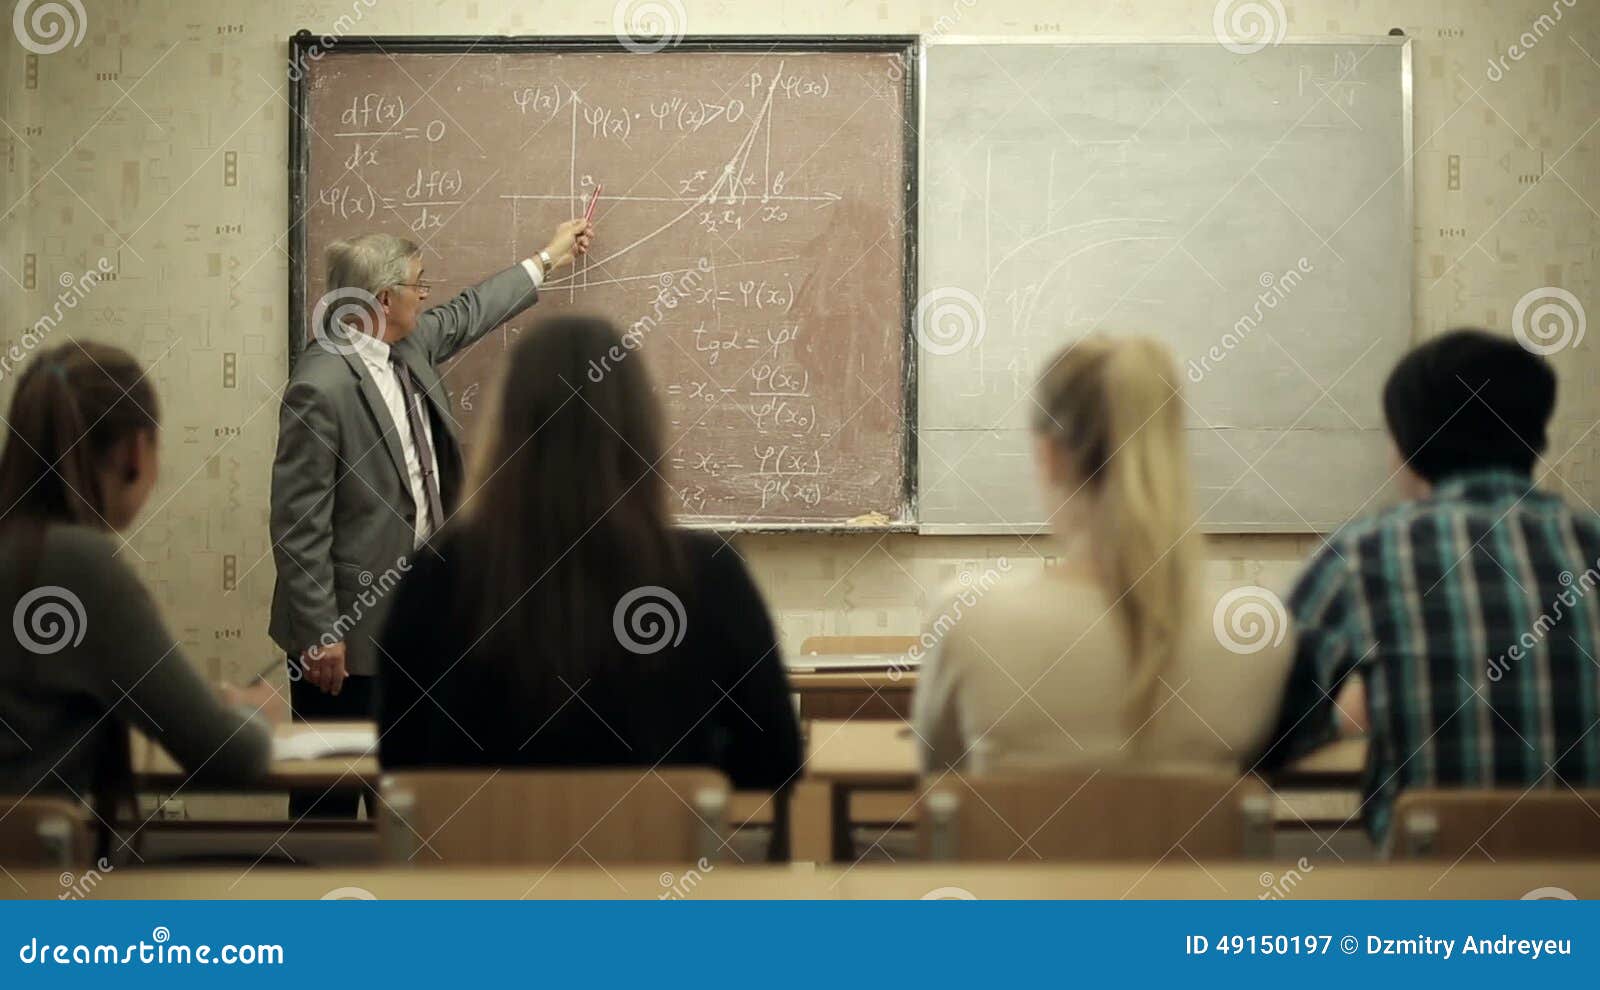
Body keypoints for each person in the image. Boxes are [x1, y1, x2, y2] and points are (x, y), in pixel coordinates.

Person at [375, 315, 802, 794]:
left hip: (479, 866)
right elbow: (777, 763)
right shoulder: (708, 576)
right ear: (641, 431)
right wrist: (693, 766)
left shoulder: (437, 577)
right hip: (658, 864)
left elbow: (400, 764)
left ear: (509, 429)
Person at [269, 220, 591, 819]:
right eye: (420, 285)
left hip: (416, 621)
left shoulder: (407, 345)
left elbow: (473, 311)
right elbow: (298, 524)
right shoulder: (321, 385)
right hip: (344, 639)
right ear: (384, 299)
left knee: (410, 797)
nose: (428, 295)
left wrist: (548, 258)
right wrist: (320, 632)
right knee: (329, 807)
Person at [1256, 328, 1600, 842]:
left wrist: (1349, 719)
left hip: (1429, 903)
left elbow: (1268, 737)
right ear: (1535, 439)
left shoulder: (1362, 556)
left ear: (1406, 446)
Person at [912, 336, 1292, 773]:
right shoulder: (1259, 633)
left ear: (1049, 456)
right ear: (1169, 451)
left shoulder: (968, 620)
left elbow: (940, 780)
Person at [0, 343, 278, 855]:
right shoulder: (79, 567)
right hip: (40, 897)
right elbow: (227, 757)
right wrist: (257, 713)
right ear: (135, 451)